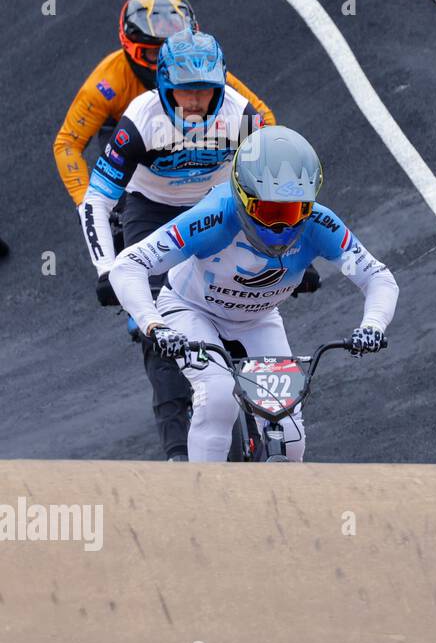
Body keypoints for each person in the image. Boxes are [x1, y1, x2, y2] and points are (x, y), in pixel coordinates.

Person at [108, 127, 397, 463]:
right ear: (242, 197)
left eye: (291, 213)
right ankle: (197, 500)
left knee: (289, 436)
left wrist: (373, 325)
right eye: (269, 212)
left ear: (309, 205)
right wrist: (154, 325)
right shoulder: (214, 216)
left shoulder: (319, 224)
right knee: (217, 397)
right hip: (190, 309)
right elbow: (128, 265)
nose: (281, 229)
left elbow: (377, 277)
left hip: (257, 320)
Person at [78, 28, 265, 460]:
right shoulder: (139, 120)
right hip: (154, 209)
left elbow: (272, 178)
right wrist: (106, 267)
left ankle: (265, 419)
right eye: (185, 92)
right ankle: (178, 448)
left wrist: (292, 249)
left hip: (220, 204)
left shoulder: (242, 114)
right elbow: (97, 202)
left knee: (254, 293)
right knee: (159, 324)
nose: (196, 101)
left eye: (204, 91)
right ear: (164, 87)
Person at [54, 0, 274, 208]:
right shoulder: (105, 84)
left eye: (175, 48)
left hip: (199, 145)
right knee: (120, 207)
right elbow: (68, 144)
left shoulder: (202, 68)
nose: (165, 61)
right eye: (155, 53)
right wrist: (88, 204)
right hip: (138, 146)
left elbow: (260, 117)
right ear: (130, 48)